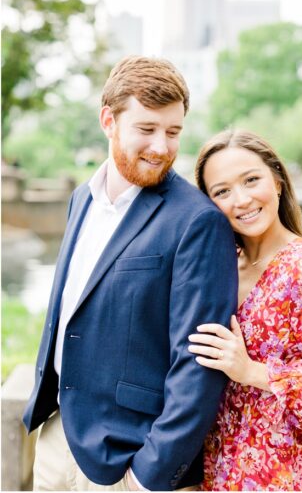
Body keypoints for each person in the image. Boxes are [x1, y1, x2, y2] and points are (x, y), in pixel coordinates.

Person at [22, 56, 239, 491]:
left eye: (173, 132)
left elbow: (198, 363)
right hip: (56, 438)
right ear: (109, 121)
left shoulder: (197, 221)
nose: (161, 146)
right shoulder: (80, 200)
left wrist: (149, 475)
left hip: (129, 460)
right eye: (147, 129)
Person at [189, 129, 302, 491]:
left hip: (276, 477)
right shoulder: (219, 267)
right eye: (222, 191)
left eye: (251, 180)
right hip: (211, 472)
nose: (241, 200)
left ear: (277, 181)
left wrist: (254, 372)